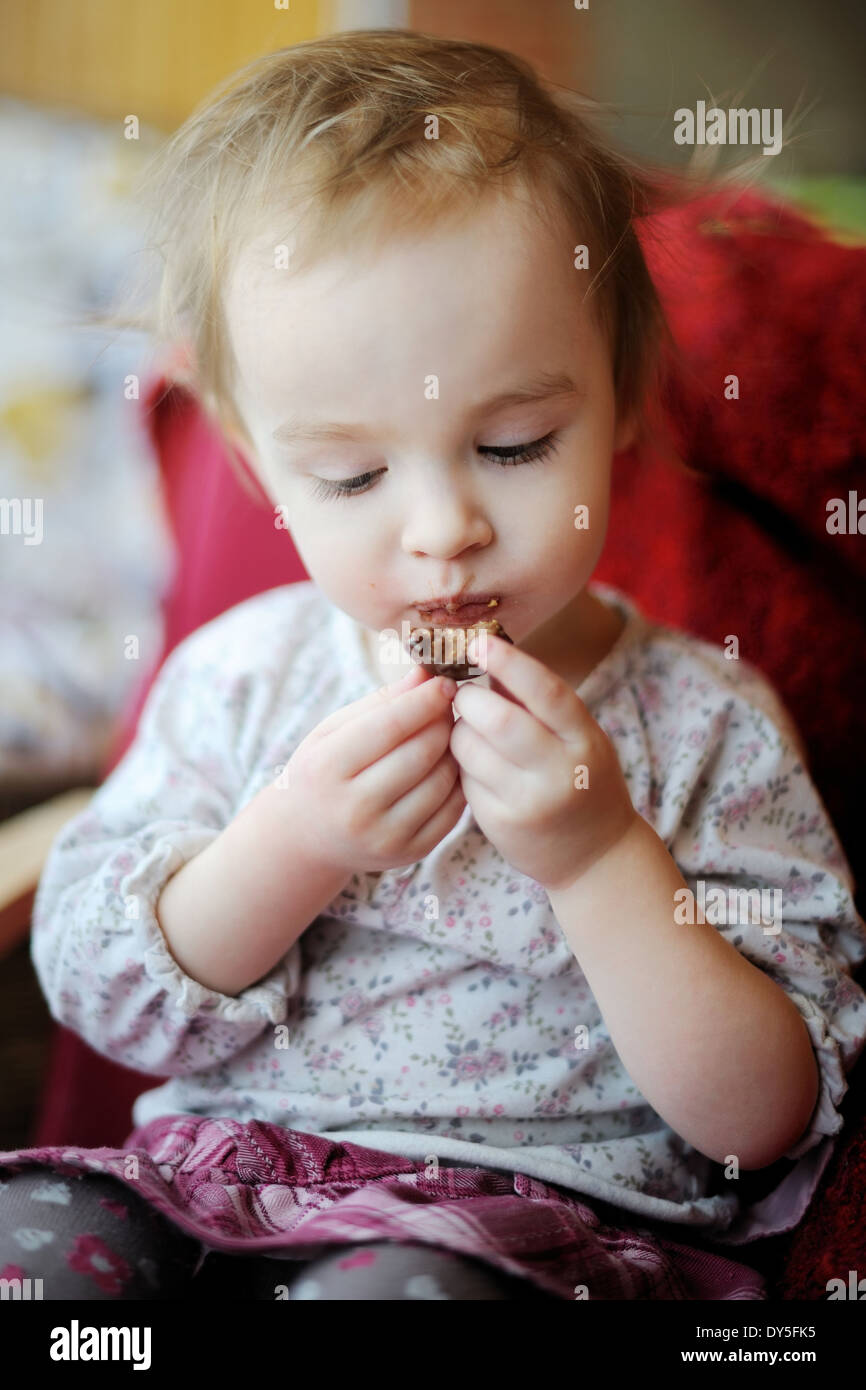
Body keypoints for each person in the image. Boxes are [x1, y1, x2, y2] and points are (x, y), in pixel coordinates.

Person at [2, 29, 864, 1302]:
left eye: (512, 444)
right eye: (350, 475)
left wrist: (597, 855)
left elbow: (763, 1117)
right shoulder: (238, 680)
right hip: (208, 1194)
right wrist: (287, 845)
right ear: (259, 468)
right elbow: (101, 993)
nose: (440, 529)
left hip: (531, 1239)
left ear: (620, 395)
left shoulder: (700, 721)